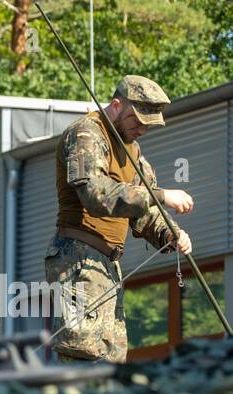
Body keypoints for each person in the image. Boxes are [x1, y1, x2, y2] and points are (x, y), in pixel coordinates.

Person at [45, 75, 193, 363]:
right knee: (84, 355)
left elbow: (145, 211)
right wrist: (162, 195)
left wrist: (170, 234)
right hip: (79, 259)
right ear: (115, 105)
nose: (141, 130)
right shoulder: (87, 134)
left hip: (108, 264)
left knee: (112, 361)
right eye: (136, 122)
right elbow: (95, 193)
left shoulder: (132, 151)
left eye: (147, 126)